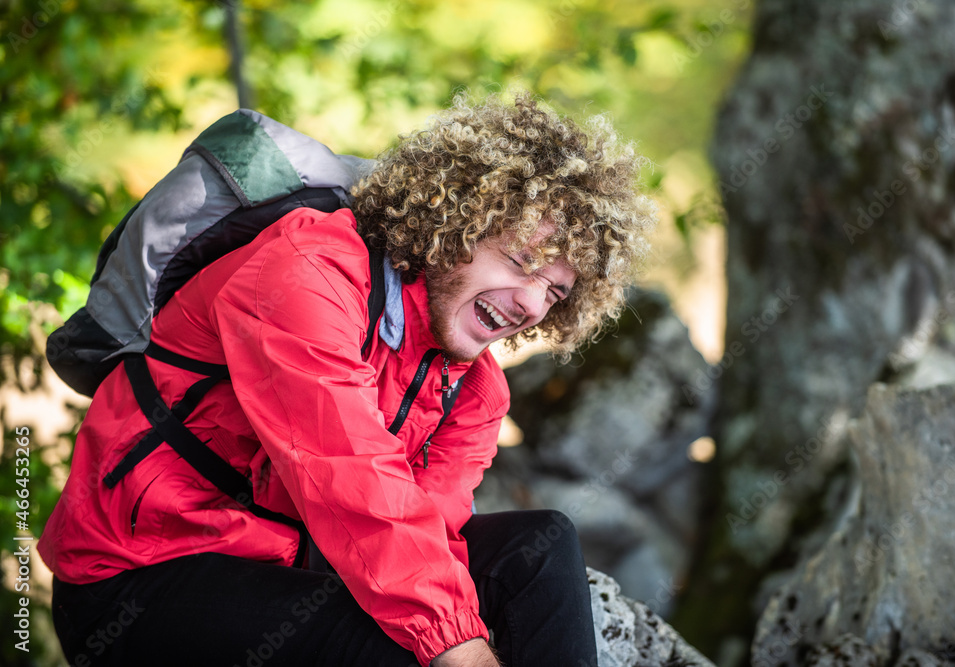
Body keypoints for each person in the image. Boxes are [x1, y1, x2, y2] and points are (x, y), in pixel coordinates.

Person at [38, 92, 656, 666]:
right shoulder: (307, 270)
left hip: (293, 567)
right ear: (458, 223)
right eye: (521, 260)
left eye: (555, 290)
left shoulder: (474, 392)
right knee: (412, 650)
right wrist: (458, 645)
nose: (531, 302)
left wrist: (462, 621)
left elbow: (430, 534)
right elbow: (347, 471)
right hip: (135, 576)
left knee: (542, 543)